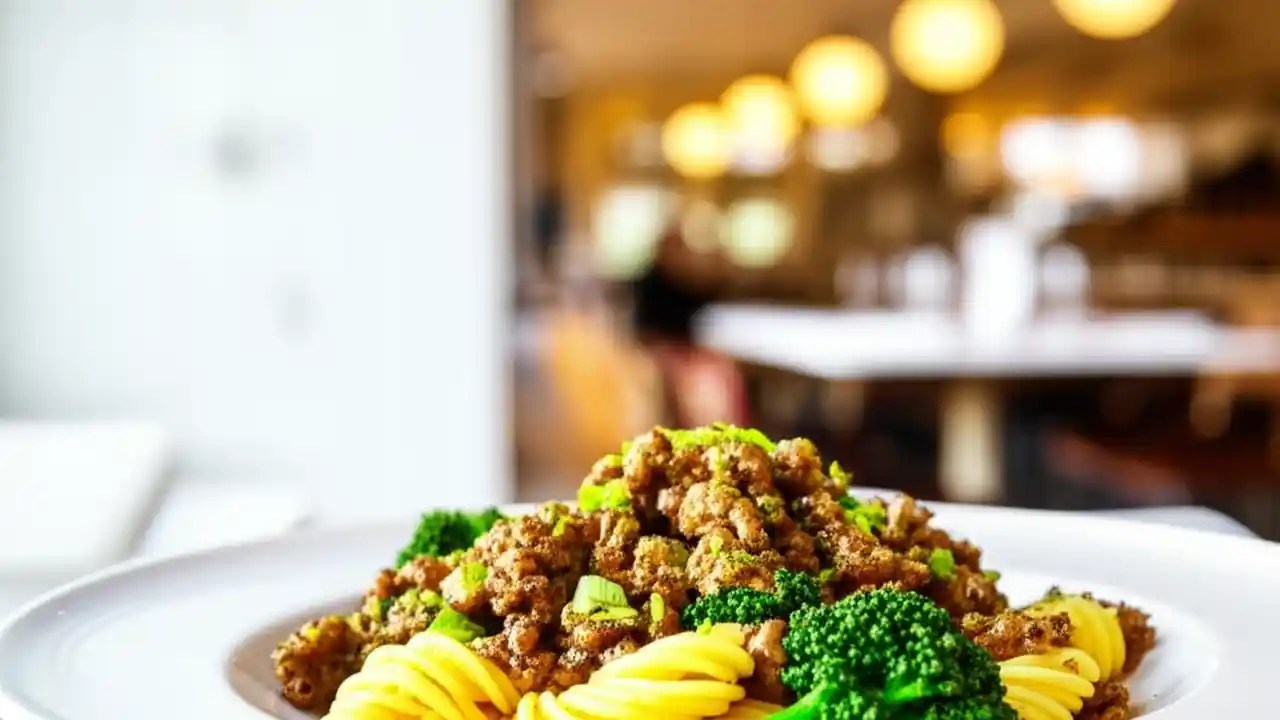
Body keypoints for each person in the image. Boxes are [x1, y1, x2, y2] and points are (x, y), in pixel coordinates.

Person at [630, 224, 747, 427]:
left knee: (725, 375)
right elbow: (643, 326)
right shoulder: (648, 282)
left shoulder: (685, 280)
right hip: (658, 347)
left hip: (688, 349)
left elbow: (704, 303)